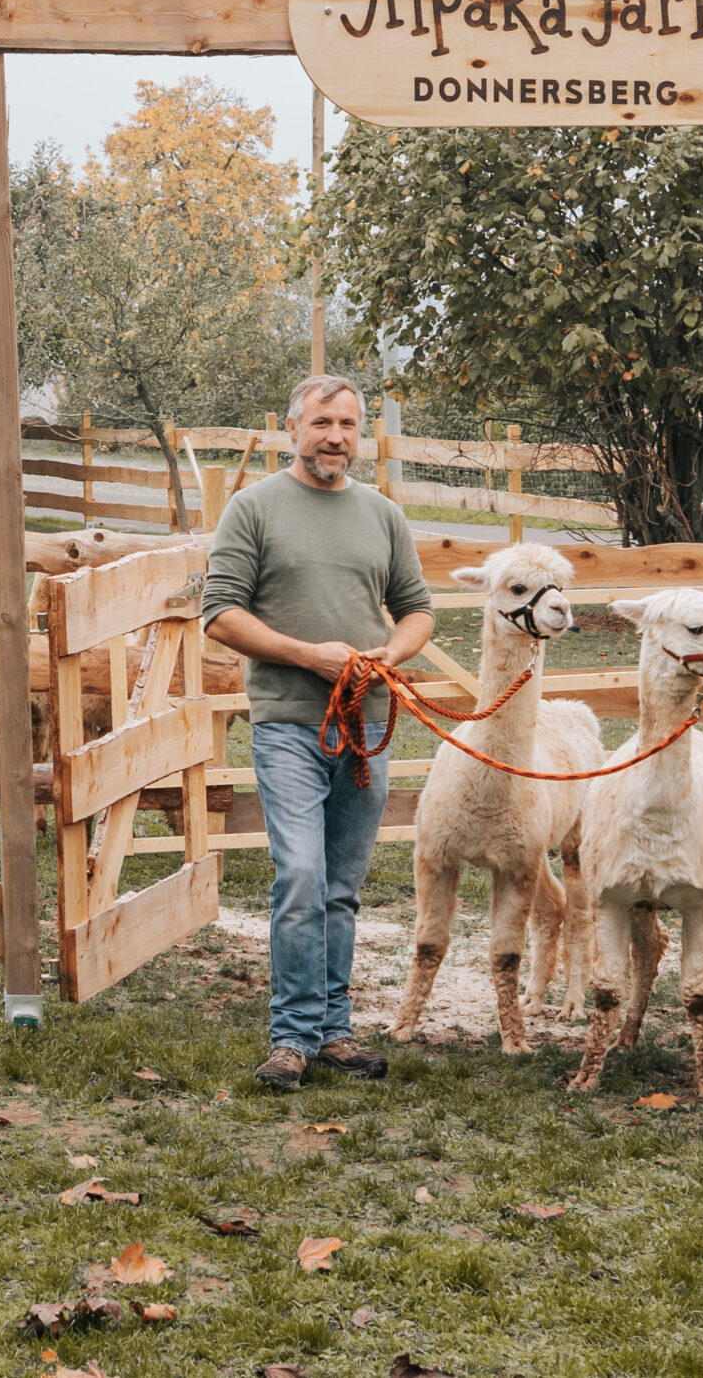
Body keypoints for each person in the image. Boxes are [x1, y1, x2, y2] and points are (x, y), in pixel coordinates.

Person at [203, 375, 436, 1091]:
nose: (335, 436)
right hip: (289, 726)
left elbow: (417, 610)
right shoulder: (254, 509)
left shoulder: (382, 515)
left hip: (366, 730)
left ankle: (333, 1031)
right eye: (322, 422)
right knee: (300, 876)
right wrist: (310, 655)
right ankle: (292, 1036)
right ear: (291, 428)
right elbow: (219, 613)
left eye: (348, 424)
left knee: (340, 885)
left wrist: (387, 659)